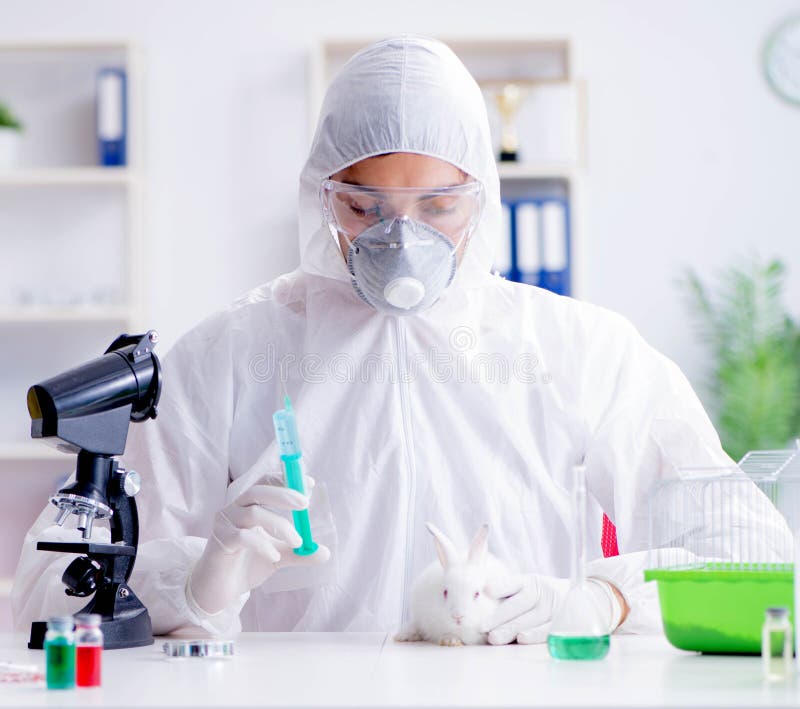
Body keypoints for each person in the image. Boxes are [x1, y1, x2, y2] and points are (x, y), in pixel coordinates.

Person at [13, 35, 736, 643]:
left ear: (482, 195)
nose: (400, 236)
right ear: (322, 194)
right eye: (364, 206)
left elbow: (746, 551)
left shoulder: (579, 350)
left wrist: (603, 600)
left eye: (439, 205)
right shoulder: (233, 352)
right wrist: (192, 583)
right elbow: (44, 592)